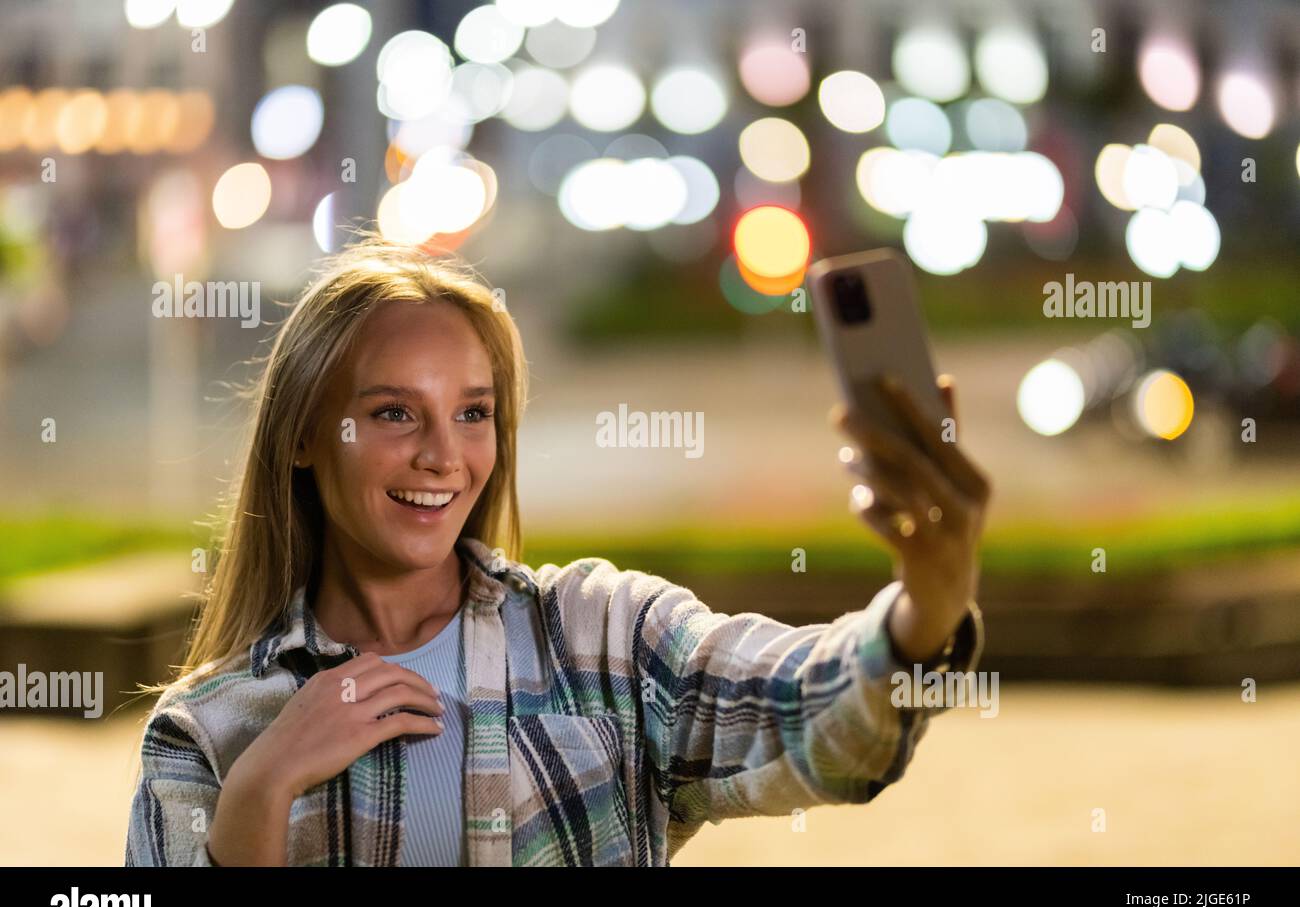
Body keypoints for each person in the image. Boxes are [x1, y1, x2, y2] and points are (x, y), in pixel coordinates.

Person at [124, 237, 991, 867]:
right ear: (306, 434)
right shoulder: (208, 731)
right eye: (393, 412)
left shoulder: (602, 637)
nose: (443, 456)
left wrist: (928, 605)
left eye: (473, 412)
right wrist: (258, 793)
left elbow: (811, 718)